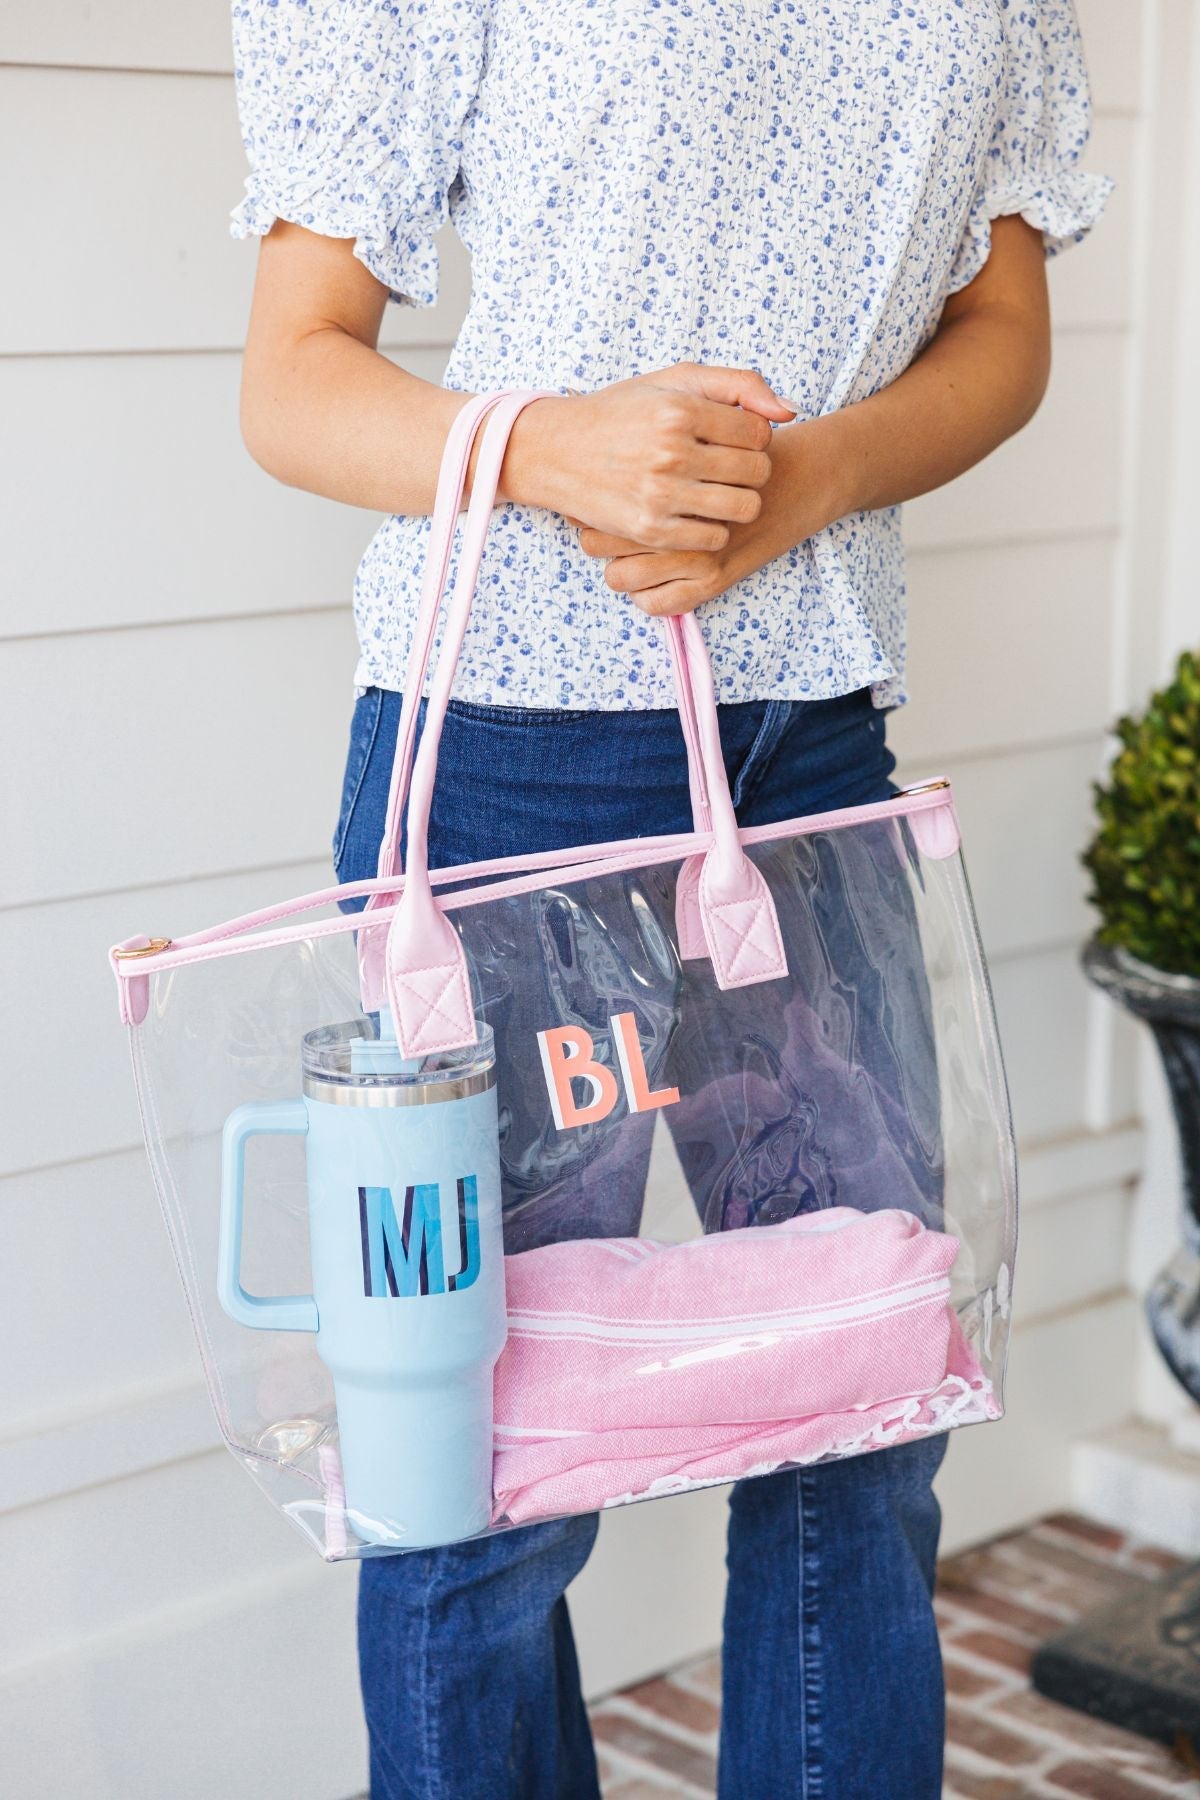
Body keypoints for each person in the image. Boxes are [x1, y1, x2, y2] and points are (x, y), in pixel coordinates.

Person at [230, 1, 1110, 1792]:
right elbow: (292, 378)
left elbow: (1002, 329)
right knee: (474, 1476)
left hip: (815, 745)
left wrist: (814, 478)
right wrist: (546, 445)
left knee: (867, 1404)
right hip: (501, 756)